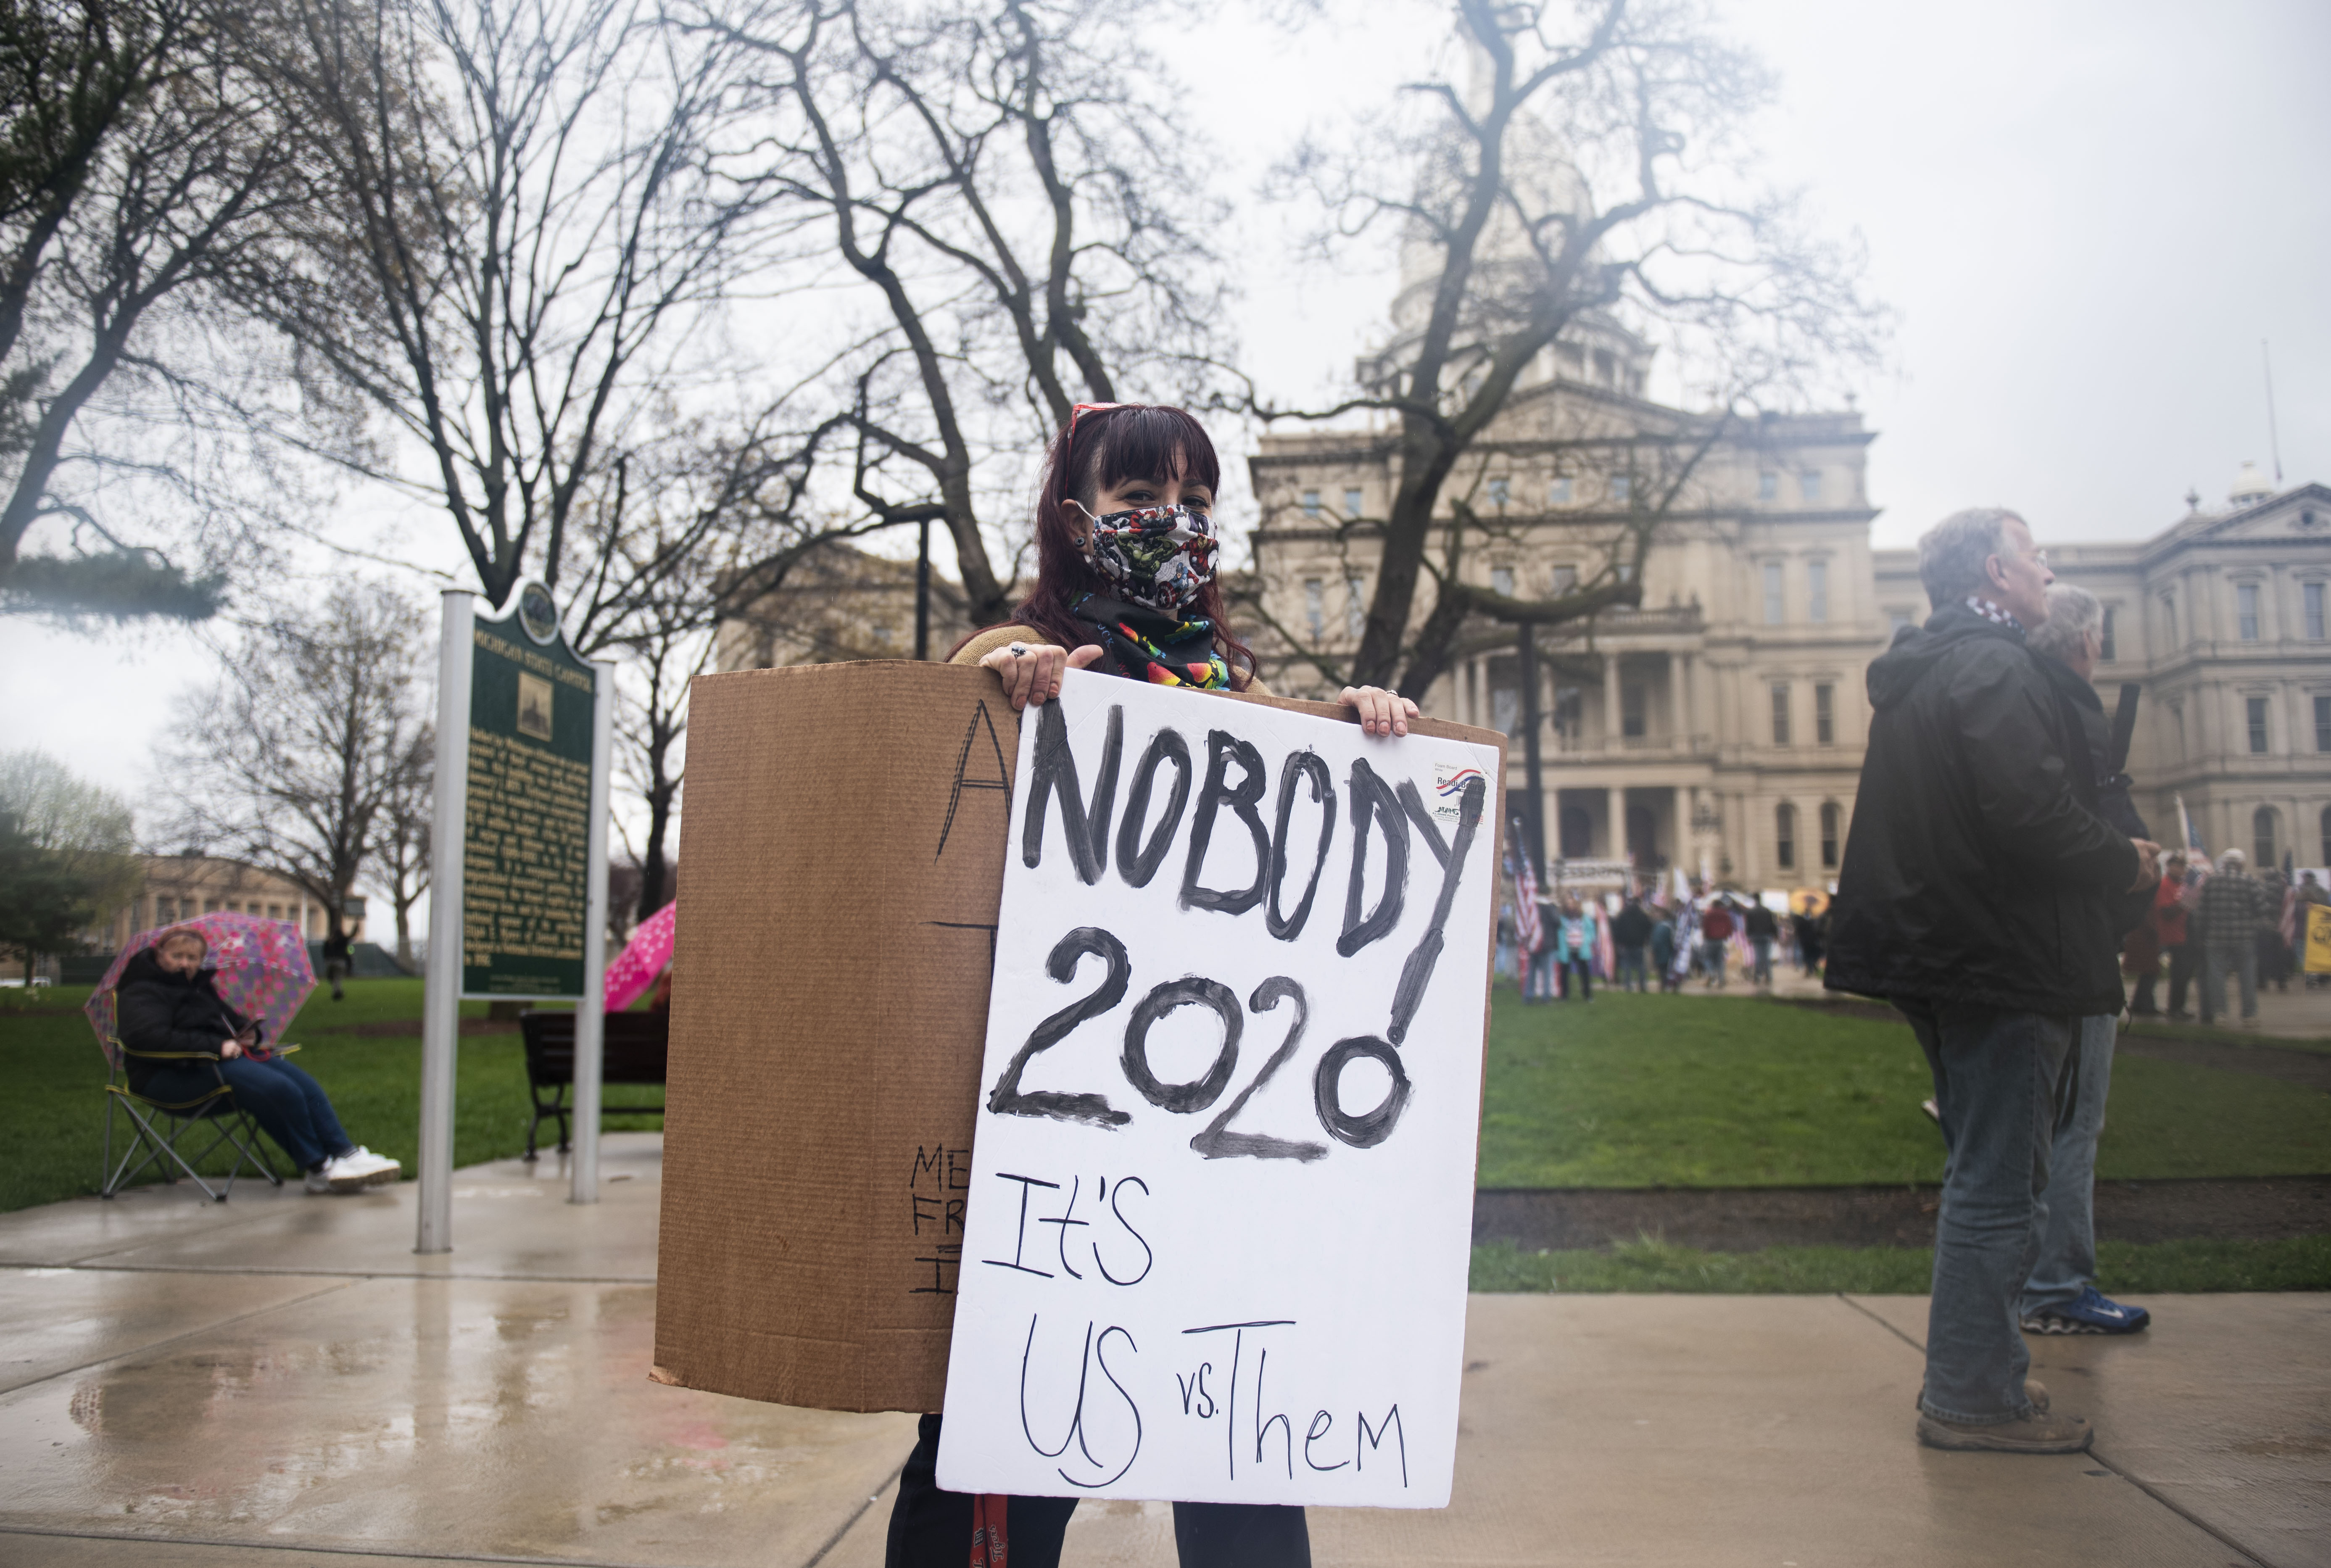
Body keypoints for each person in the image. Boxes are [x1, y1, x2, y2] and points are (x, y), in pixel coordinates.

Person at [891, 402, 1417, 1568]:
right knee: (1006, 1436)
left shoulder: (1229, 684)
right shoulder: (1030, 659)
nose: (1168, 524)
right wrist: (1009, 674)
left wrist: (1357, 727)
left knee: (1233, 1436)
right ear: (1077, 520)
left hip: (1214, 1128)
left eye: (1192, 504)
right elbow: (957, 684)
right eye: (1137, 503)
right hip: (1057, 1144)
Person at [1825, 508, 2157, 1456]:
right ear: (1993, 570)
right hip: (2002, 952)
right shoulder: (1998, 667)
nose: (2046, 569)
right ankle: (1975, 1395)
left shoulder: (1921, 670)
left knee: (1984, 1169)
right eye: (2033, 556)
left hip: (1941, 948)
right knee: (2002, 1181)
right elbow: (2031, 812)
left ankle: (1978, 1377)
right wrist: (2125, 861)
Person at [2016, 583, 2151, 1337]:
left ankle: (2041, 1279)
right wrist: (2136, 863)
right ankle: (2057, 1282)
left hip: (2049, 945)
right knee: (2074, 1122)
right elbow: (2081, 834)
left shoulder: (2029, 703)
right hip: (2075, 947)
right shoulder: (2071, 713)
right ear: (2087, 642)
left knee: (2046, 1124)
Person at [116, 928, 400, 1194]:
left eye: (193, 958)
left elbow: (228, 1018)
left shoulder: (200, 987)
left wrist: (248, 1031)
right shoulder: (141, 990)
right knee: (276, 1088)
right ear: (159, 956)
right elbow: (149, 1038)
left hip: (211, 1064)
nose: (185, 964)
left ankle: (346, 1153)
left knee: (300, 1081)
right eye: (177, 956)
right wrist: (217, 1045)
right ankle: (319, 1168)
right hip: (165, 1077)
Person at [2196, 848, 2273, 1027]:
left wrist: (2201, 935)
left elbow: (2202, 911)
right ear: (2241, 864)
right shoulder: (2249, 880)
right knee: (2247, 975)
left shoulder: (2211, 881)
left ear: (2224, 863)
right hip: (2244, 936)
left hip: (2216, 937)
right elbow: (2262, 909)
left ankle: (2220, 1014)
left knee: (2216, 976)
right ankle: (2249, 1015)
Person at [1554, 897, 1595, 1000]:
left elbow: (1591, 931)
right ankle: (1564, 995)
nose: (1570, 906)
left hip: (1581, 948)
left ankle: (1587, 995)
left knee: (1585, 974)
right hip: (1567, 949)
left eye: (1572, 903)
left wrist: (1587, 940)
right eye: (1568, 904)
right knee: (1564, 974)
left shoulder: (1584, 917)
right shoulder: (1562, 918)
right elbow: (1559, 932)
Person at [1611, 896, 1653, 992]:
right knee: (1641, 966)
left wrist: (1620, 941)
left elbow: (1617, 929)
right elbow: (1649, 928)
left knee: (1627, 966)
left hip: (1626, 945)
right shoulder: (1643, 915)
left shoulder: (1624, 915)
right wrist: (1646, 939)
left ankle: (1628, 986)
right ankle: (1642, 986)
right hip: (1639, 944)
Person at [1742, 899, 1779, 988]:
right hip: (1767, 935)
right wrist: (1775, 935)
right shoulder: (1767, 911)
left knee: (1758, 957)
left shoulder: (1751, 912)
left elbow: (1749, 925)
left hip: (1756, 936)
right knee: (1766, 957)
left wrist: (1749, 936)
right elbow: (1773, 924)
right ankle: (1769, 977)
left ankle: (1757, 977)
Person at [1698, 897, 1734, 987]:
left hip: (1710, 939)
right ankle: (1721, 980)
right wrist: (1726, 935)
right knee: (1720, 961)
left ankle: (1711, 973)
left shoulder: (1709, 914)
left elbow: (1705, 926)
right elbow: (1729, 927)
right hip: (1721, 940)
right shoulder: (1725, 914)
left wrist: (1705, 936)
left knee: (1706, 958)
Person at [1650, 907, 1678, 992]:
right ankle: (1670, 986)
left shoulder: (1658, 926)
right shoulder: (1669, 927)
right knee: (1668, 970)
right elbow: (1673, 941)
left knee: (1663, 970)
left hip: (1661, 951)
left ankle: (1663, 986)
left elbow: (1655, 940)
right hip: (1667, 952)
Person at [322, 927, 352, 1001]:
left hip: (330, 962)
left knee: (332, 978)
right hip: (340, 962)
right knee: (338, 978)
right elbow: (351, 936)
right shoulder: (343, 940)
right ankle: (338, 992)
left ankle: (337, 992)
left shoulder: (329, 942)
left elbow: (324, 953)